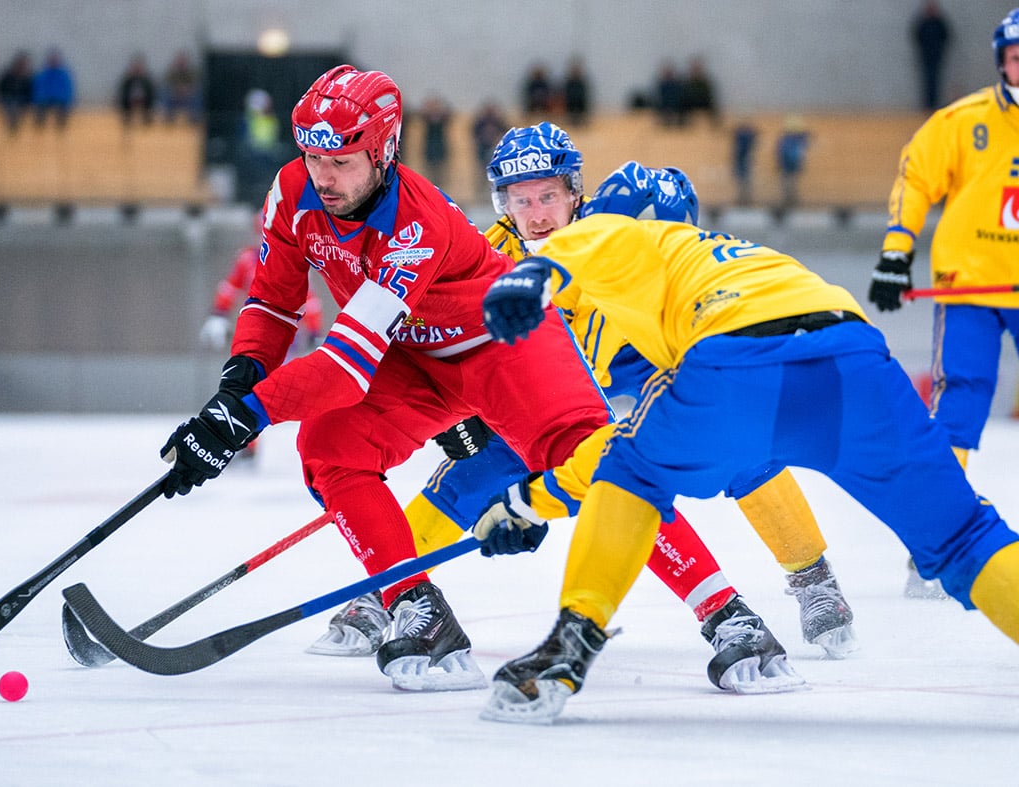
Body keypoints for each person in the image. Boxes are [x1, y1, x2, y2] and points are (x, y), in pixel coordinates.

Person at [310, 126, 853, 690]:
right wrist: (462, 418)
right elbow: (446, 336)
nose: (537, 213)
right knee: (468, 477)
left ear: (575, 194)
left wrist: (518, 458)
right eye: (521, 200)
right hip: (545, 372)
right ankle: (393, 589)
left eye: (548, 196)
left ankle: (808, 576)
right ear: (502, 204)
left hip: (632, 350)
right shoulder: (488, 249)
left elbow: (577, 386)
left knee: (716, 451)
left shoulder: (601, 248)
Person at [473, 166, 1019, 724]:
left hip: (734, 361)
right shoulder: (741, 252)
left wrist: (526, 501)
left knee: (632, 475)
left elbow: (570, 256)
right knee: (965, 537)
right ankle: (817, 581)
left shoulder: (621, 234)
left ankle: (568, 649)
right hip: (854, 356)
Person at [157, 65, 612, 693]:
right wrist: (235, 391)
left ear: (383, 150)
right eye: (313, 155)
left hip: (503, 347)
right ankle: (416, 608)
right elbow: (272, 301)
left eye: (341, 159)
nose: (323, 174)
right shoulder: (292, 193)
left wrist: (245, 418)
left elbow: (345, 366)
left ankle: (726, 612)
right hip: (415, 355)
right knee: (327, 447)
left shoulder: (416, 221)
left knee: (602, 465)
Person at [869, 9, 1019, 600]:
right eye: (1014, 55)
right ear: (1000, 60)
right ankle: (935, 542)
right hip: (971, 286)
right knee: (960, 404)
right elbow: (916, 178)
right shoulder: (963, 121)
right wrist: (895, 251)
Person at [199, 212, 324, 356]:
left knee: (280, 371)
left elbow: (309, 300)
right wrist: (219, 314)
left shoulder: (294, 261)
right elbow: (230, 288)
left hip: (286, 328)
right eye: (261, 233)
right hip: (254, 324)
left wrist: (314, 333)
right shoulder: (246, 258)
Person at [913, 1, 953, 111]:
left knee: (936, 80)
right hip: (926, 56)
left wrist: (940, 48)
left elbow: (946, 35)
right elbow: (917, 35)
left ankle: (935, 103)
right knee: (927, 81)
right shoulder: (923, 23)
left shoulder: (939, 23)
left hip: (937, 56)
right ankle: (927, 104)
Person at [32, 48, 74, 129]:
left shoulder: (64, 75)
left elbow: (67, 90)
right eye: (52, 60)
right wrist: (40, 98)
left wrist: (64, 99)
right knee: (40, 110)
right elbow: (38, 88)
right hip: (45, 100)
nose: (54, 62)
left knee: (62, 111)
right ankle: (39, 128)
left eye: (55, 60)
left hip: (60, 100)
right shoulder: (43, 74)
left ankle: (61, 128)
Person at [0, 50, 33, 134]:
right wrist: (0, 98)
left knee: (17, 111)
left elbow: (30, 91)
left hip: (22, 100)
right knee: (12, 109)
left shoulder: (27, 78)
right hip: (8, 99)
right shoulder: (7, 75)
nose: (21, 66)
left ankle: (14, 129)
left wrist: (28, 101)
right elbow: (0, 87)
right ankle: (12, 129)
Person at [775, 114, 809, 210]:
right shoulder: (789, 139)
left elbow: (780, 149)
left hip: (791, 160)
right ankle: (789, 196)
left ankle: (791, 195)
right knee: (789, 178)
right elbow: (781, 150)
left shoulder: (792, 138)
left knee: (790, 178)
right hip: (788, 160)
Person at [418, 94, 452, 188]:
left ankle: (441, 186)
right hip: (429, 145)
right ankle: (430, 186)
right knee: (430, 169)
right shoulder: (427, 117)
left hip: (440, 145)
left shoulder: (442, 117)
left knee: (441, 169)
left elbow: (449, 113)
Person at [116, 54, 157, 126]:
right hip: (130, 99)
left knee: (151, 100)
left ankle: (147, 119)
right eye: (135, 66)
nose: (137, 68)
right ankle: (127, 118)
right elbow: (123, 89)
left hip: (144, 98)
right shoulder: (128, 79)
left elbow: (151, 89)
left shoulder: (146, 79)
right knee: (124, 99)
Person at [163, 49, 202, 124]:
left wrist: (187, 90)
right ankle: (169, 117)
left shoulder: (192, 72)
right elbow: (167, 83)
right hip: (174, 96)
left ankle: (194, 117)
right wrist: (177, 90)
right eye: (180, 61)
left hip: (189, 96)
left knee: (198, 95)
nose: (181, 63)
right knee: (165, 93)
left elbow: (195, 84)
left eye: (183, 61)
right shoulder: (171, 72)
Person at [682, 55, 719, 126]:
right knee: (683, 106)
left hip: (703, 102)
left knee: (712, 107)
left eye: (697, 68)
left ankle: (714, 125)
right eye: (694, 68)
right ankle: (683, 126)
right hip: (691, 103)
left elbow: (708, 94)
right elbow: (685, 94)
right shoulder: (688, 82)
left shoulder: (705, 82)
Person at [732, 120, 758, 205]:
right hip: (743, 161)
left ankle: (745, 198)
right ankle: (744, 198)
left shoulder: (742, 139)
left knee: (745, 181)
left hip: (743, 161)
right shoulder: (746, 139)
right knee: (744, 181)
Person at [562, 56, 591, 126]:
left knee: (582, 104)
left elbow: (584, 92)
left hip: (580, 101)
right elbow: (566, 92)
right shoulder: (569, 82)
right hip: (570, 101)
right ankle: (571, 121)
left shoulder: (582, 81)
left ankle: (582, 121)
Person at [655, 61, 686, 127]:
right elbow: (660, 97)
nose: (668, 74)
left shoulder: (677, 84)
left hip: (676, 105)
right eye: (667, 72)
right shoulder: (662, 85)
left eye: (670, 72)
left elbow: (679, 96)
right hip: (665, 105)